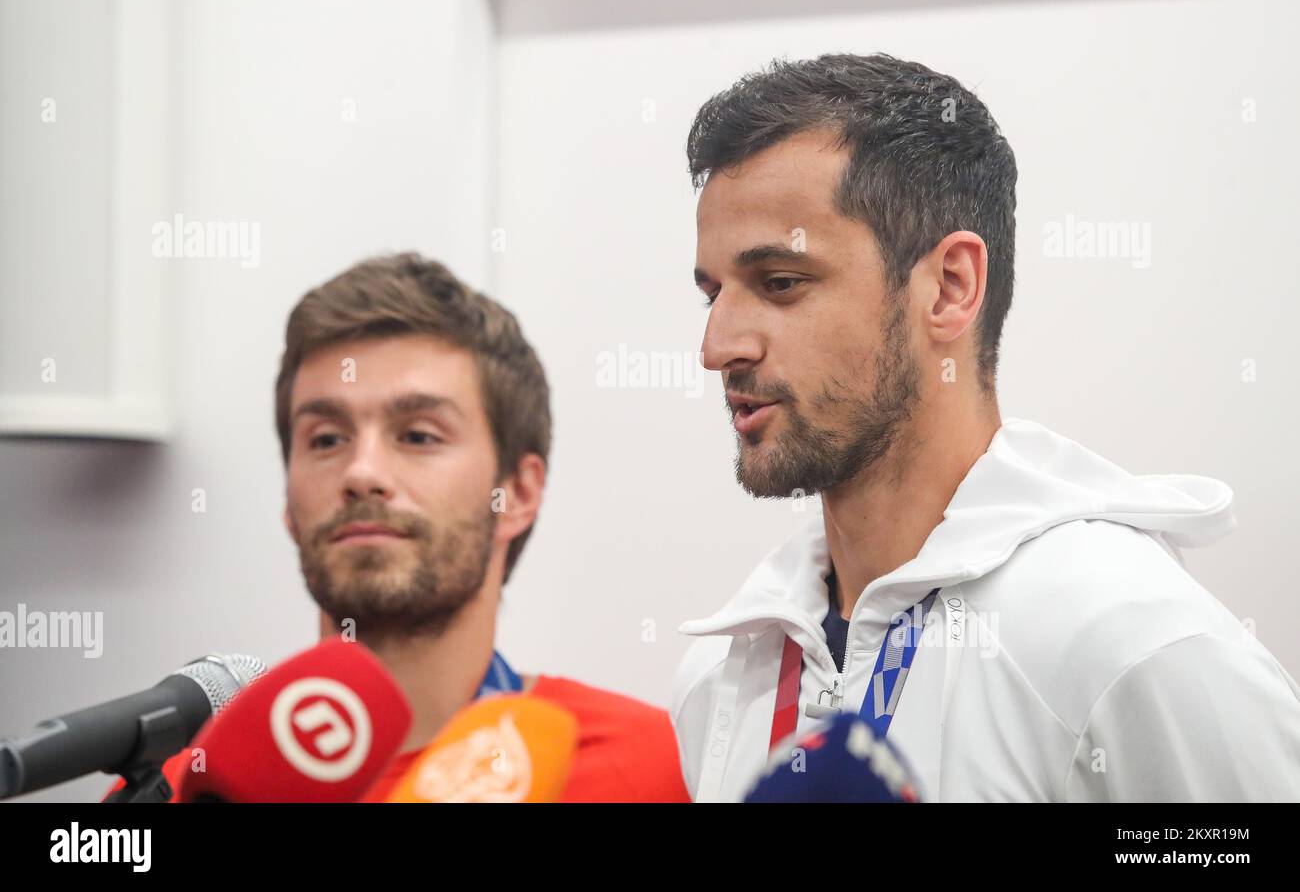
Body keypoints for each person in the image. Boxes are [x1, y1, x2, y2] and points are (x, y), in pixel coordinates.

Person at [671, 53, 1300, 802]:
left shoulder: (1128, 644)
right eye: (714, 293)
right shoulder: (719, 678)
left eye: (779, 282)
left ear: (950, 287)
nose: (717, 348)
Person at [108, 252, 688, 802]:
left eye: (417, 436)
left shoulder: (650, 768)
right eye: (327, 440)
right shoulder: (175, 788)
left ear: (516, 493)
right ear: (289, 498)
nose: (361, 473)